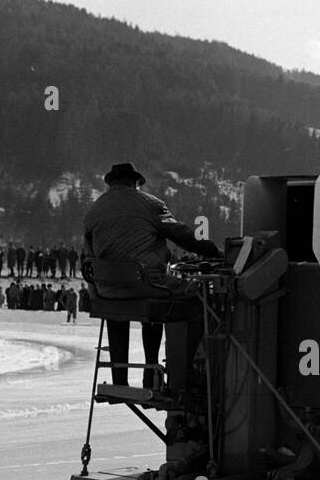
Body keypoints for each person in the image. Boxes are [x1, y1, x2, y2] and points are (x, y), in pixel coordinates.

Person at [83, 162, 222, 390]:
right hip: (146, 284)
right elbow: (184, 236)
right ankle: (178, 373)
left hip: (108, 291)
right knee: (199, 300)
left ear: (110, 184)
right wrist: (215, 252)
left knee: (123, 307)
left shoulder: (93, 211)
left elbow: (87, 257)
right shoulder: (150, 204)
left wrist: (98, 287)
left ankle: (120, 379)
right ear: (135, 182)